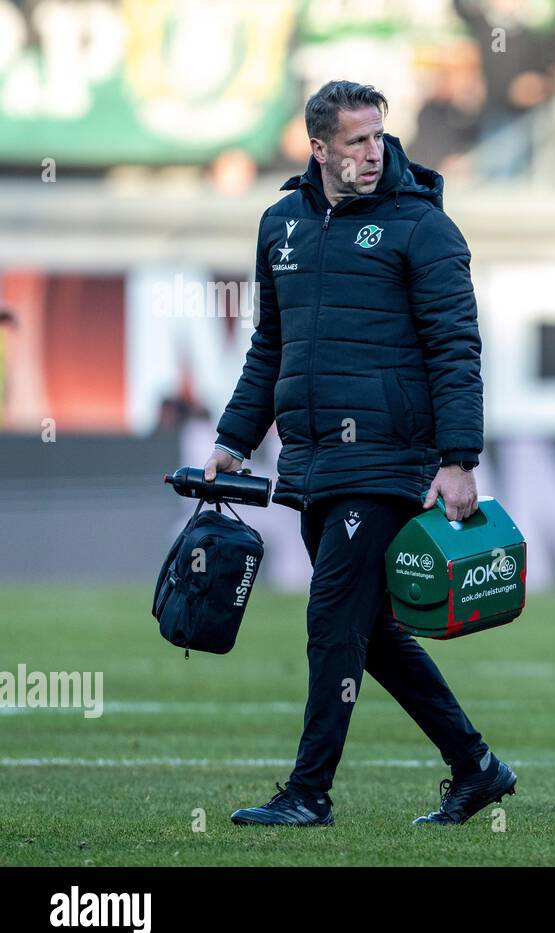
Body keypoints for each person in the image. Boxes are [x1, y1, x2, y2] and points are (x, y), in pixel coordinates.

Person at [207, 80, 515, 827]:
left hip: (385, 457)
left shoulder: (423, 226)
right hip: (310, 460)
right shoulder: (280, 223)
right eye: (355, 140)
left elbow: (456, 349)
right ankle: (477, 768)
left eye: (378, 135)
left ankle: (309, 792)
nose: (373, 151)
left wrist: (458, 457)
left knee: (331, 619)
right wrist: (231, 438)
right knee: (371, 629)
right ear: (318, 148)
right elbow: (269, 346)